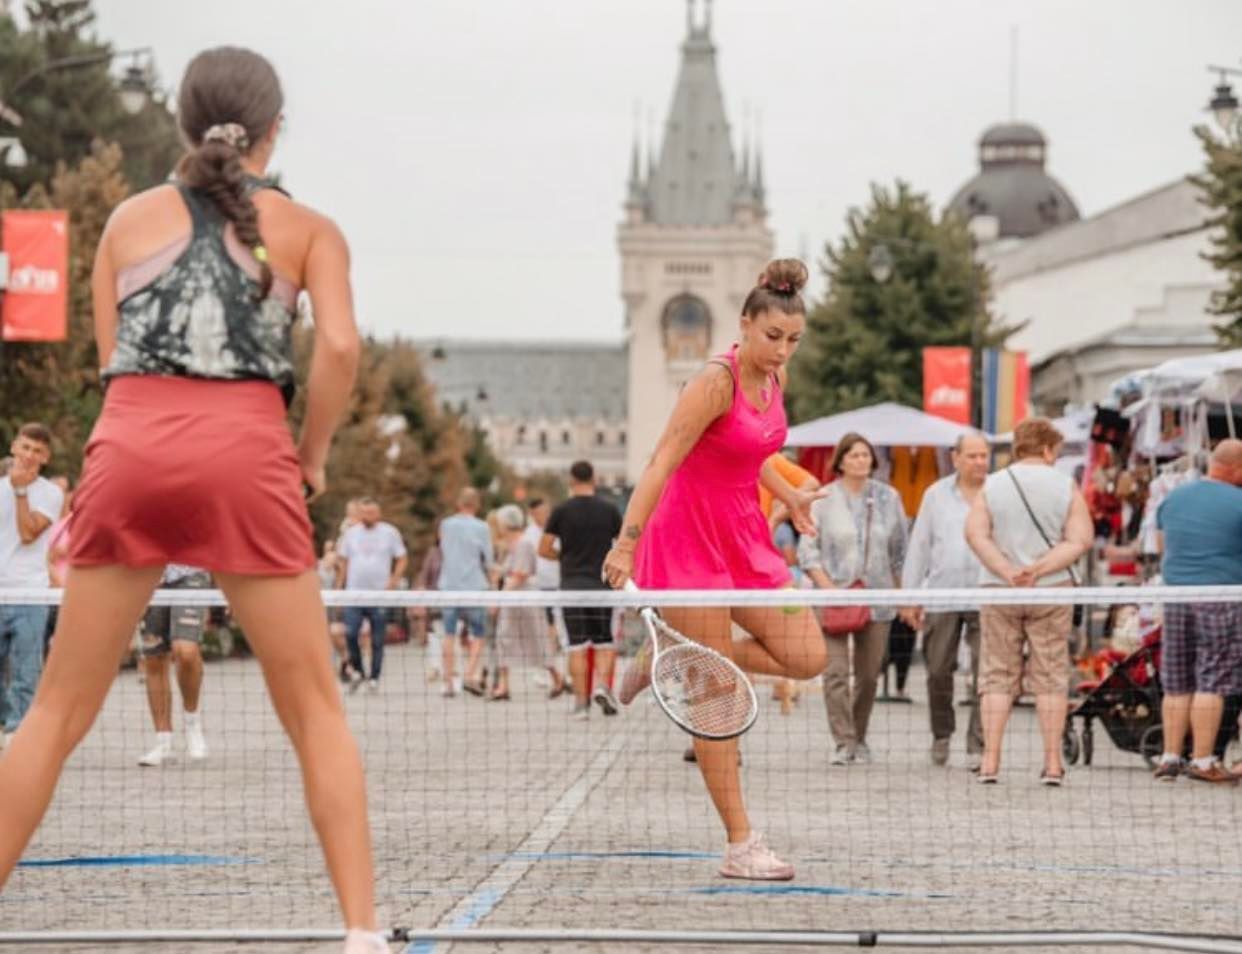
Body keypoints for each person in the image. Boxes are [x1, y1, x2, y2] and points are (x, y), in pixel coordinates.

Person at [0, 48, 386, 954]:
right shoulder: (308, 230)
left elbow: (111, 362)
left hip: (132, 440)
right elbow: (337, 348)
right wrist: (311, 455)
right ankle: (361, 932)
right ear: (275, 131)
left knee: (56, 712)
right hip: (248, 449)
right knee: (315, 712)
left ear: (183, 124)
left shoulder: (127, 222)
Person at [602, 259, 827, 882]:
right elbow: (661, 461)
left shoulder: (773, 382)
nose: (782, 350)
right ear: (744, 325)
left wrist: (788, 494)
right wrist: (626, 544)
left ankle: (662, 659)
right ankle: (740, 843)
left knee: (807, 656)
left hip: (745, 538)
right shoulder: (713, 381)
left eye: (793, 340)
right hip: (686, 539)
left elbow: (750, 448)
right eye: (772, 337)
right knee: (717, 694)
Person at [965, 417, 1092, 787]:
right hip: (1051, 589)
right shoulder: (1064, 485)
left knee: (997, 674)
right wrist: (1039, 569)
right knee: (1050, 674)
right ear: (1049, 448)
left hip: (999, 589)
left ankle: (990, 761)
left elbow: (975, 534)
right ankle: (1052, 763)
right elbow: (1079, 539)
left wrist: (1007, 570)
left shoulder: (993, 485)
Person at [798, 432, 908, 766]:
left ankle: (859, 735)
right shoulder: (824, 498)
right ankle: (842, 740)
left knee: (869, 674)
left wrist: (904, 595)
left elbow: (899, 552)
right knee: (834, 672)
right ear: (841, 460)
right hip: (834, 595)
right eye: (854, 455)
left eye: (866, 455)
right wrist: (827, 587)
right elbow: (808, 550)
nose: (861, 460)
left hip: (876, 596)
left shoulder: (889, 498)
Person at [1152, 439, 1242, 784]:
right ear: (1234, 468)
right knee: (1212, 678)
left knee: (1176, 680)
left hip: (1176, 594)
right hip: (1221, 596)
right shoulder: (1238, 502)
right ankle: (1203, 760)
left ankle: (1169, 756)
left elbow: (1161, 546)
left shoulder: (1174, 497)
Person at [901, 432, 991, 769]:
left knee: (987, 673)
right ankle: (942, 734)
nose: (980, 462)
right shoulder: (936, 495)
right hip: (943, 592)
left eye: (984, 456)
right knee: (938, 670)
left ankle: (978, 744)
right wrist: (910, 596)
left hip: (987, 594)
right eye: (973, 456)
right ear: (955, 458)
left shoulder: (998, 492)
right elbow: (920, 546)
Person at [0, 423, 65, 751]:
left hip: (30, 593)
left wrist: (21, 491)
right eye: (25, 448)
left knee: (26, 669)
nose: (29, 456)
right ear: (14, 447)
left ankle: (18, 732)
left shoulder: (50, 493)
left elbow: (28, 533)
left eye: (37, 451)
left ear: (46, 458)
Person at [541, 461, 623, 719]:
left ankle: (580, 704)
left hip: (572, 586)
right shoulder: (609, 510)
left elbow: (543, 548)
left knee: (576, 646)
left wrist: (564, 558)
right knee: (604, 641)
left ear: (571, 480)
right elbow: (622, 548)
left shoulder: (561, 511)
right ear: (594, 479)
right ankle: (603, 687)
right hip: (601, 586)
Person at [136, 565, 212, 767]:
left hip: (190, 571)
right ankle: (163, 743)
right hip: (149, 574)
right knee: (154, 658)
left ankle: (192, 724)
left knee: (185, 651)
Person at [490, 505, 565, 700]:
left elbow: (521, 574)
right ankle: (503, 686)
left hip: (525, 598)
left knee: (537, 639)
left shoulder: (523, 543)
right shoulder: (509, 545)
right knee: (503, 638)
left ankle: (557, 678)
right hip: (512, 599)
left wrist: (499, 597)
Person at [336, 497, 407, 693]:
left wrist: (393, 580)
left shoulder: (389, 533)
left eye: (372, 512)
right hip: (354, 593)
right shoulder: (350, 534)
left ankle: (374, 677)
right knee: (350, 633)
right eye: (364, 513)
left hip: (379, 595)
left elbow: (401, 558)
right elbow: (343, 561)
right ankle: (358, 669)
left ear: (378, 513)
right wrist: (339, 588)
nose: (368, 516)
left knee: (377, 639)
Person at [438, 487, 494, 695]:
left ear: (458, 504)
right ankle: (469, 674)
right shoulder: (482, 527)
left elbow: (443, 549)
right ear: (477, 505)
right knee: (479, 634)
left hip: (448, 586)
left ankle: (447, 682)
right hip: (474, 587)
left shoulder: (445, 525)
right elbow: (488, 560)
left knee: (449, 634)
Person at [524, 497, 569, 696]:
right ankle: (544, 670)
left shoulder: (558, 529)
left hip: (559, 586)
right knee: (542, 631)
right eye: (542, 512)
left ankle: (563, 673)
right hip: (538, 588)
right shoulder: (528, 535)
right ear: (533, 514)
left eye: (547, 511)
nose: (546, 515)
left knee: (560, 631)